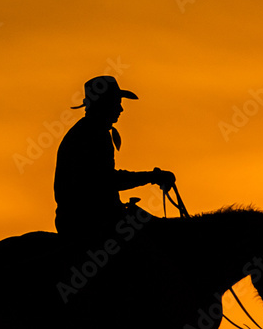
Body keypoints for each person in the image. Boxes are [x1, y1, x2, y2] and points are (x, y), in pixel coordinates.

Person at [54, 76, 175, 248]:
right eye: (116, 102)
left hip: (78, 219)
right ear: (104, 104)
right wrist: (152, 177)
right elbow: (106, 180)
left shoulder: (87, 131)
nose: (121, 109)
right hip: (90, 222)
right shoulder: (93, 134)